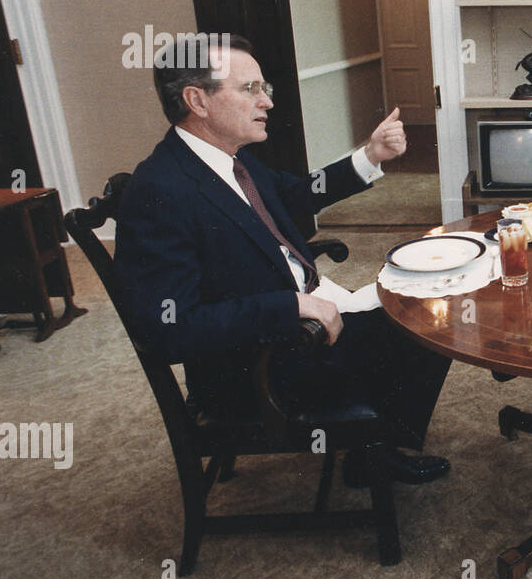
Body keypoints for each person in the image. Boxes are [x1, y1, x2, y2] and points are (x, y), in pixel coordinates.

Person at [115, 34, 452, 486]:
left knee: (429, 290)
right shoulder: (160, 190)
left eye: (264, 88)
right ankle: (375, 449)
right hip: (257, 366)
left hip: (295, 318)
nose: (267, 102)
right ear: (197, 100)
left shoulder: (229, 159)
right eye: (249, 89)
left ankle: (379, 440)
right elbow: (165, 330)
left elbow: (293, 196)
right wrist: (289, 306)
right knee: (429, 322)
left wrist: (370, 156)